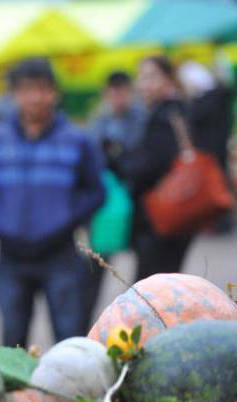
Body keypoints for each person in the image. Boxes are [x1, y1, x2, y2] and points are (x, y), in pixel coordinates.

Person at [0, 57, 105, 348]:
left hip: (61, 254)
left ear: (55, 93)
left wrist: (67, 220)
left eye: (42, 89)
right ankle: (17, 396)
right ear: (15, 95)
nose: (34, 97)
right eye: (25, 90)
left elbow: (96, 192)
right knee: (12, 342)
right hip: (11, 256)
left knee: (70, 339)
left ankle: (70, 394)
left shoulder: (77, 139)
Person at [116, 56, 192, 281]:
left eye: (151, 77)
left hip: (160, 216)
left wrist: (121, 162)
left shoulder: (164, 115)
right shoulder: (176, 111)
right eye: (141, 77)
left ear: (169, 80)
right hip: (175, 213)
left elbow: (151, 166)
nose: (143, 84)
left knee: (152, 291)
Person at [85, 71, 146, 314]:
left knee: (143, 271)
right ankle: (87, 319)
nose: (119, 97)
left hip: (135, 201)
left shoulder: (140, 117)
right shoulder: (99, 119)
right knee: (96, 265)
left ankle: (140, 314)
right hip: (108, 206)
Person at [179, 61, 235, 233]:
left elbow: (194, 121)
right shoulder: (218, 97)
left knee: (214, 188)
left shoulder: (204, 101)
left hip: (210, 151)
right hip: (218, 149)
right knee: (220, 185)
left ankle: (220, 222)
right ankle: (221, 221)